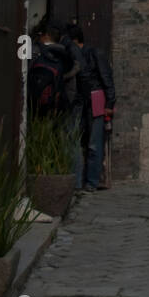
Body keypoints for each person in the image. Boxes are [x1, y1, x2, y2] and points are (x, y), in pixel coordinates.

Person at [66, 23, 116, 193]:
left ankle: (92, 181)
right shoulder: (71, 56)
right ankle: (77, 181)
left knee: (94, 143)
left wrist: (109, 104)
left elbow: (107, 78)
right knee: (75, 141)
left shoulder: (95, 53)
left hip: (95, 100)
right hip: (79, 102)